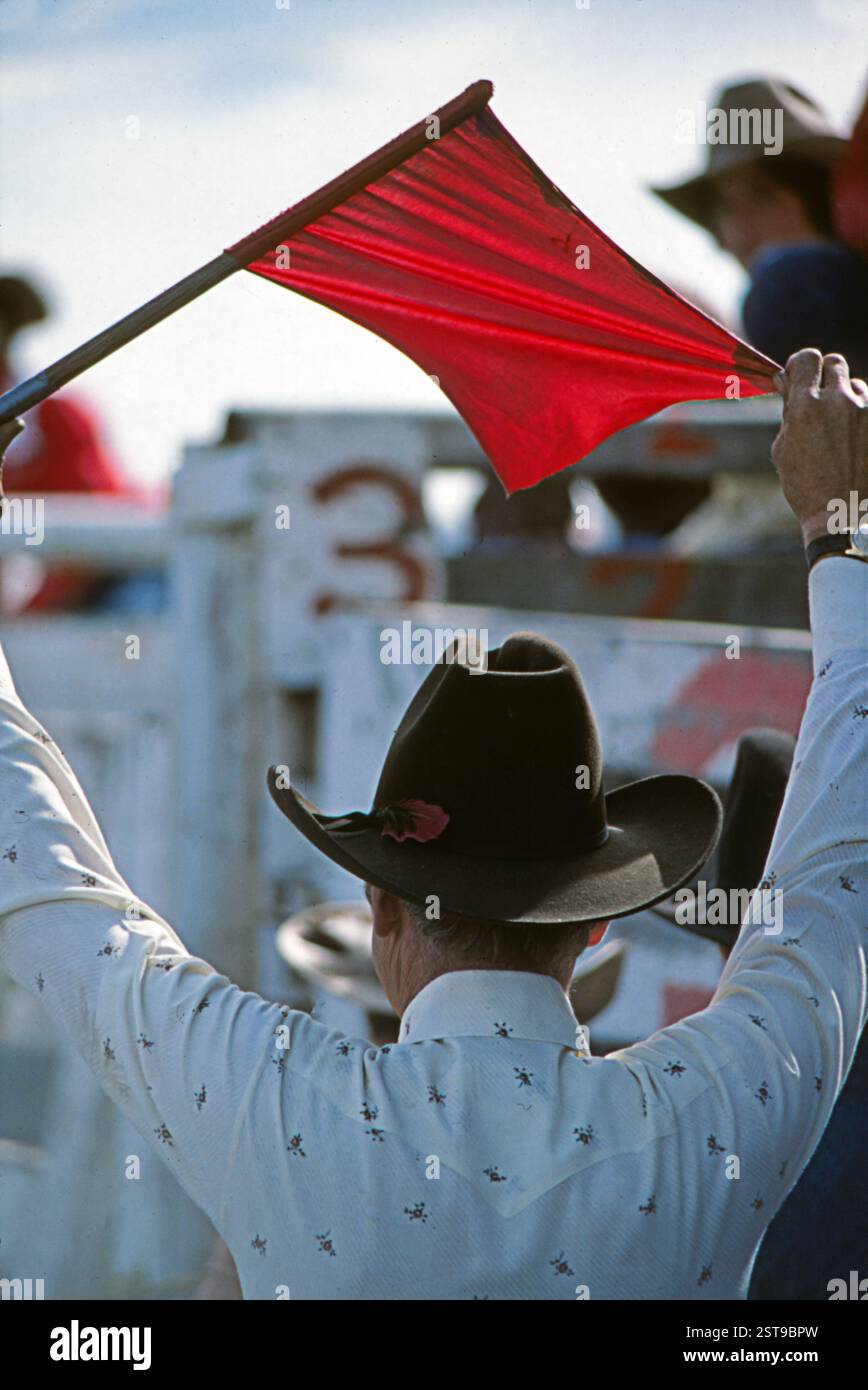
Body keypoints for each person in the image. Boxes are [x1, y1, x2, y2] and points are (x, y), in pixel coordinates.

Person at [0, 347, 865, 1299]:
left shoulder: (267, 1096)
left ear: (380, 906)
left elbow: (49, 885)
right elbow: (837, 871)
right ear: (598, 922)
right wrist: (841, 523)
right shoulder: (715, 1109)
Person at [653, 78, 868, 376]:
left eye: (763, 195)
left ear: (822, 200)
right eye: (725, 204)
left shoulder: (787, 283)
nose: (740, 221)